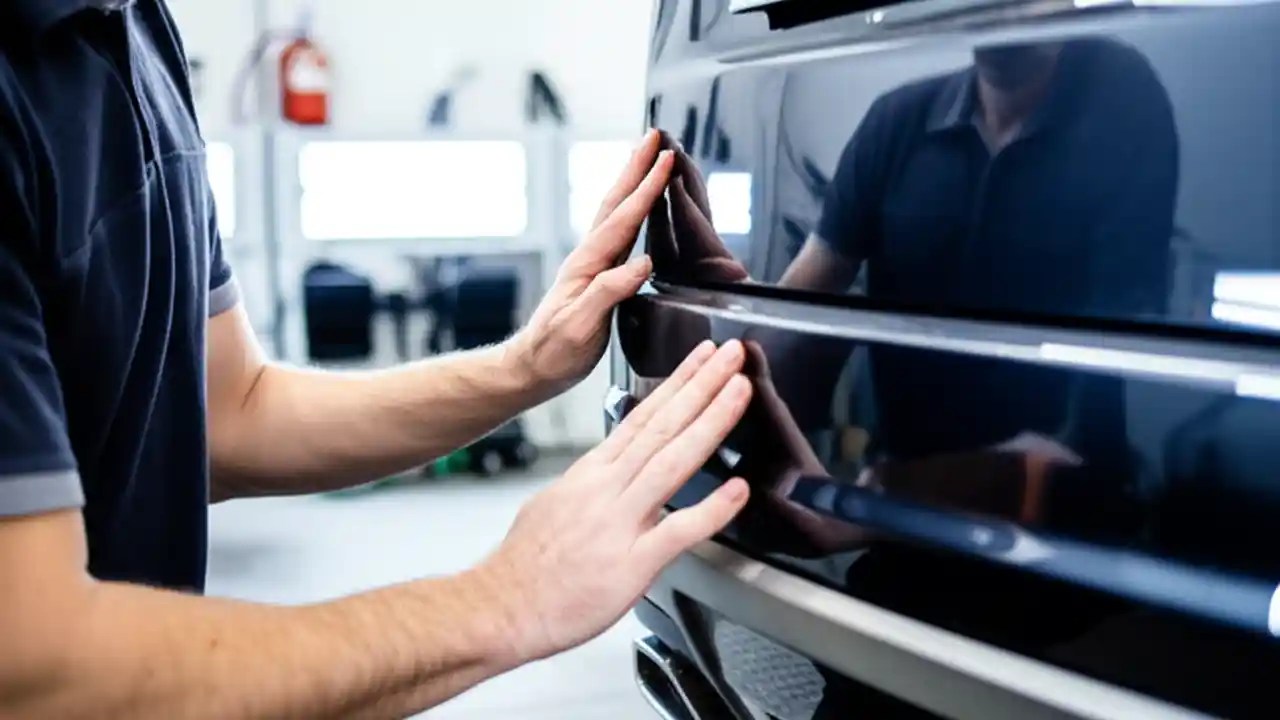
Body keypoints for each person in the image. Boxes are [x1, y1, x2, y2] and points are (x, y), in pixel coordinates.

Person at [0, 2, 754, 717]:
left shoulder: (134, 25)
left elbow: (228, 413)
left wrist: (525, 367)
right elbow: (41, 671)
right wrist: (510, 596)